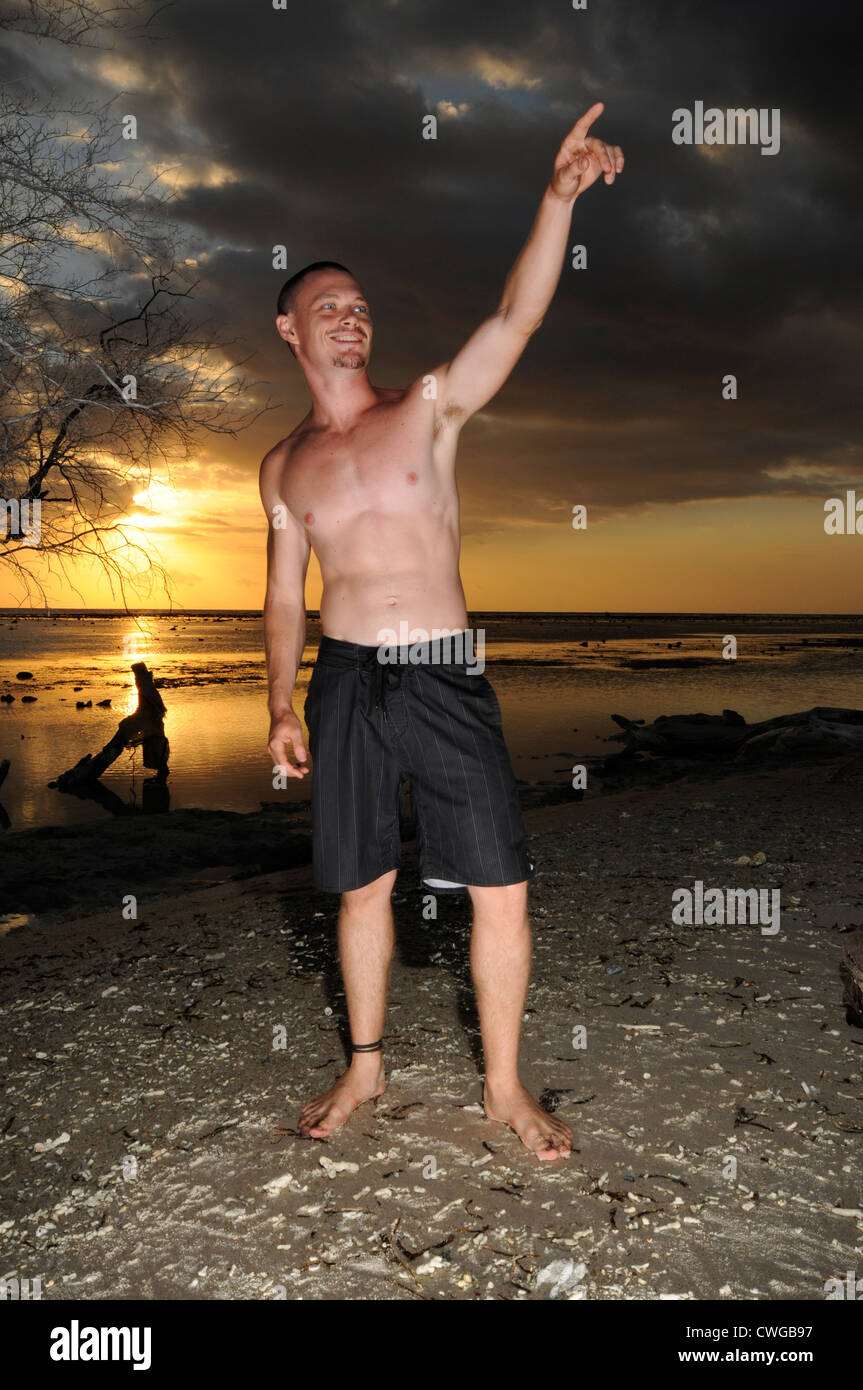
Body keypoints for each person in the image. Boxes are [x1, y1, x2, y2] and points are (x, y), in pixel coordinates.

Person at [260, 103, 623, 1159]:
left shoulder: (425, 407)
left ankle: (504, 1088)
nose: (350, 317)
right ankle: (364, 1068)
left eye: (360, 305)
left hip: (440, 667)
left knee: (498, 885)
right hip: (343, 678)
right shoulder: (283, 465)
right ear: (290, 329)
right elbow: (285, 590)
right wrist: (279, 699)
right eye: (328, 306)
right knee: (362, 883)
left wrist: (554, 200)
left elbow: (514, 318)